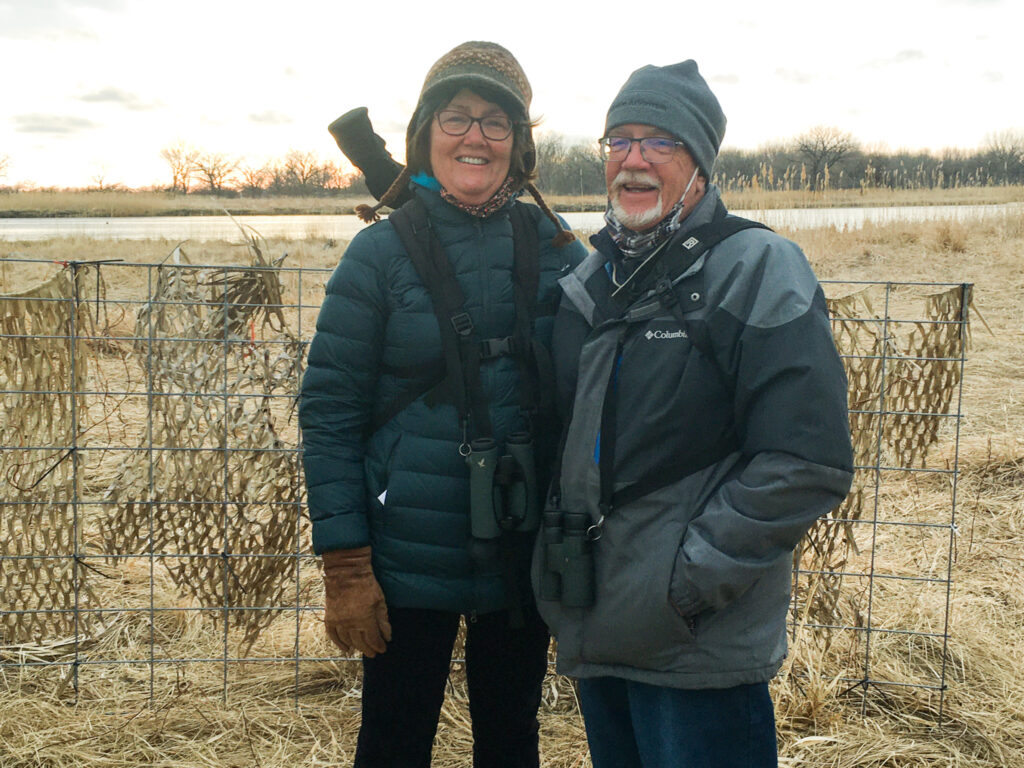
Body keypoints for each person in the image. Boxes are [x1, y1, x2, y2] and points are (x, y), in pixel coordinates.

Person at [533, 60, 855, 767]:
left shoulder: (757, 267)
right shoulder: (588, 281)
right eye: (619, 141)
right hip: (598, 629)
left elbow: (808, 459)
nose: (635, 159)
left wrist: (687, 583)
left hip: (695, 645)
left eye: (660, 142)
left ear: (701, 165)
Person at [299, 41, 586, 768]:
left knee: (512, 738)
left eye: (497, 122)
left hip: (521, 549)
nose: (476, 136)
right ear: (426, 130)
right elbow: (330, 409)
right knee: (393, 742)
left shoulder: (558, 252)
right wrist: (346, 567)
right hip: (403, 555)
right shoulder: (379, 255)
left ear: (519, 146)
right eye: (457, 117)